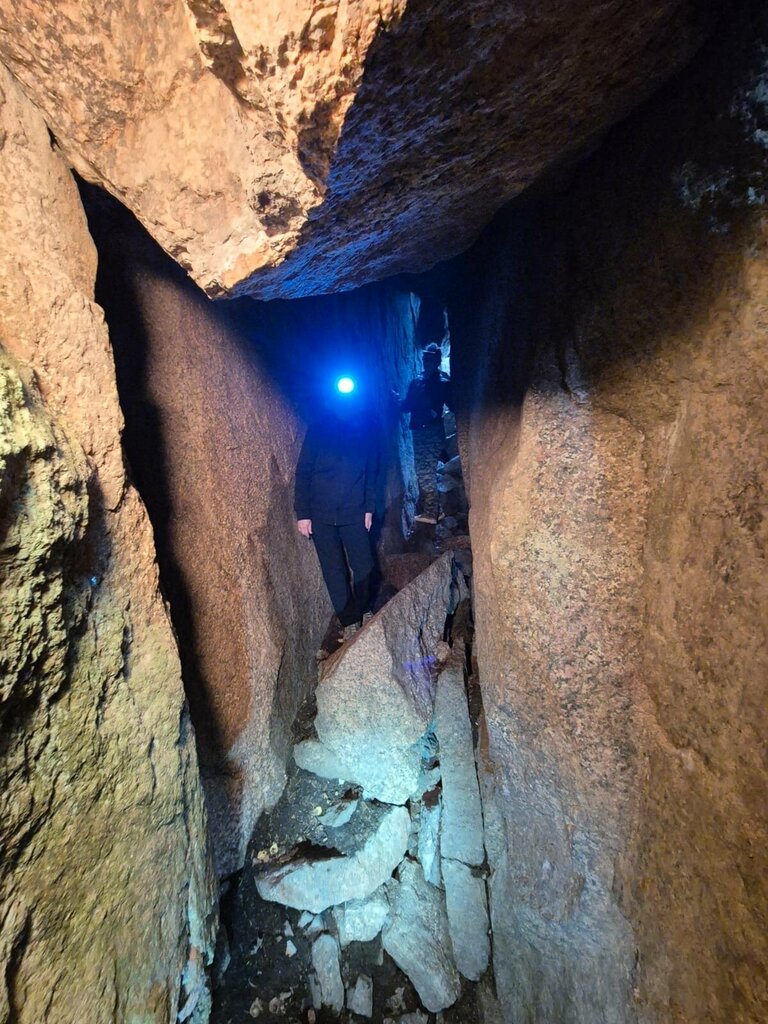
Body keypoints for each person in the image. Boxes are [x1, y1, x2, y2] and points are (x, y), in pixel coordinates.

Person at [294, 383, 379, 649]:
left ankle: (364, 608)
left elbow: (372, 473)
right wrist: (303, 514)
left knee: (364, 565)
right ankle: (349, 619)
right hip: (321, 514)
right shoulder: (318, 430)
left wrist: (369, 508)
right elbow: (304, 472)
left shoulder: (365, 430)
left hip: (354, 512)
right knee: (333, 571)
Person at [396, 343, 453, 524]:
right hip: (419, 432)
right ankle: (437, 510)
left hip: (432, 431)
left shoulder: (442, 382)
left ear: (437, 360)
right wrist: (396, 399)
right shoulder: (417, 381)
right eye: (425, 358)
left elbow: (453, 404)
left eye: (430, 358)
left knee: (425, 472)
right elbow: (407, 406)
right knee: (424, 471)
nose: (427, 361)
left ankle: (431, 513)